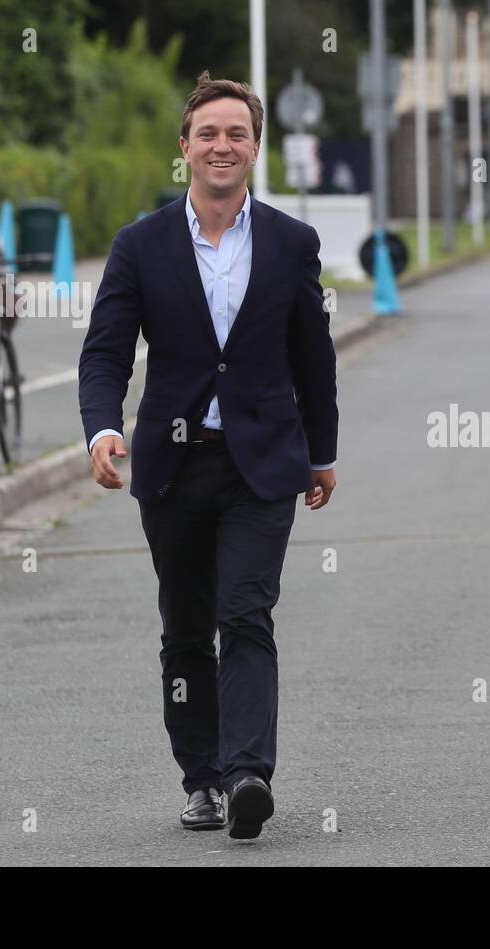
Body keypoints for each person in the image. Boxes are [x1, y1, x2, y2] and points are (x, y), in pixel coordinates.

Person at [78, 72, 338, 839]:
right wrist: (102, 429)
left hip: (263, 461)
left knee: (246, 614)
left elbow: (312, 357)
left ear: (256, 147)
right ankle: (200, 775)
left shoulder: (292, 242)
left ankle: (248, 773)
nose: (222, 145)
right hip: (172, 465)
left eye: (237, 133)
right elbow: (104, 354)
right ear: (185, 147)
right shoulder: (141, 245)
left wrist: (321, 453)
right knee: (187, 626)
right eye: (208, 133)